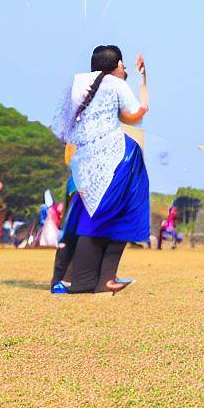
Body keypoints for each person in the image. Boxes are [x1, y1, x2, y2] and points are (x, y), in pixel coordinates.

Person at [49, 45, 150, 295]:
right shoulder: (116, 85)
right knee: (115, 214)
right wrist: (144, 82)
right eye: (123, 65)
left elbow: (59, 128)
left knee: (86, 217)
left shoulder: (76, 85)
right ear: (116, 66)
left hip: (83, 164)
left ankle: (90, 279)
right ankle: (88, 281)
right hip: (115, 159)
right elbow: (136, 115)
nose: (124, 68)